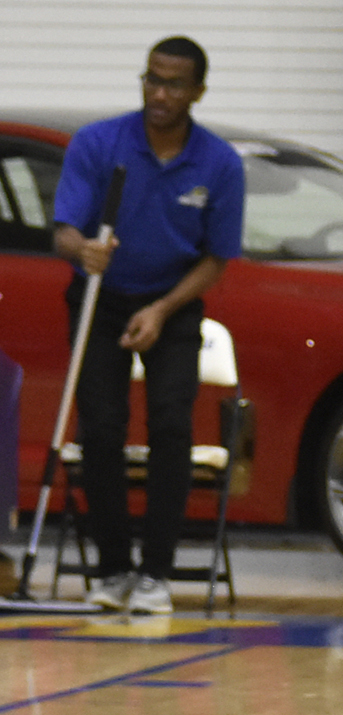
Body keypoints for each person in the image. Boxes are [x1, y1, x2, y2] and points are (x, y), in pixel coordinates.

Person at [51, 36, 245, 616]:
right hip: (99, 298)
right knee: (102, 430)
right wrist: (82, 249)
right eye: (152, 80)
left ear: (197, 92)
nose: (160, 93)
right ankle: (111, 569)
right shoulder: (98, 143)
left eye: (174, 84)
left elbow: (217, 257)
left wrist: (160, 311)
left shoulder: (218, 163)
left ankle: (156, 573)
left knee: (170, 426)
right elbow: (62, 229)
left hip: (174, 301)